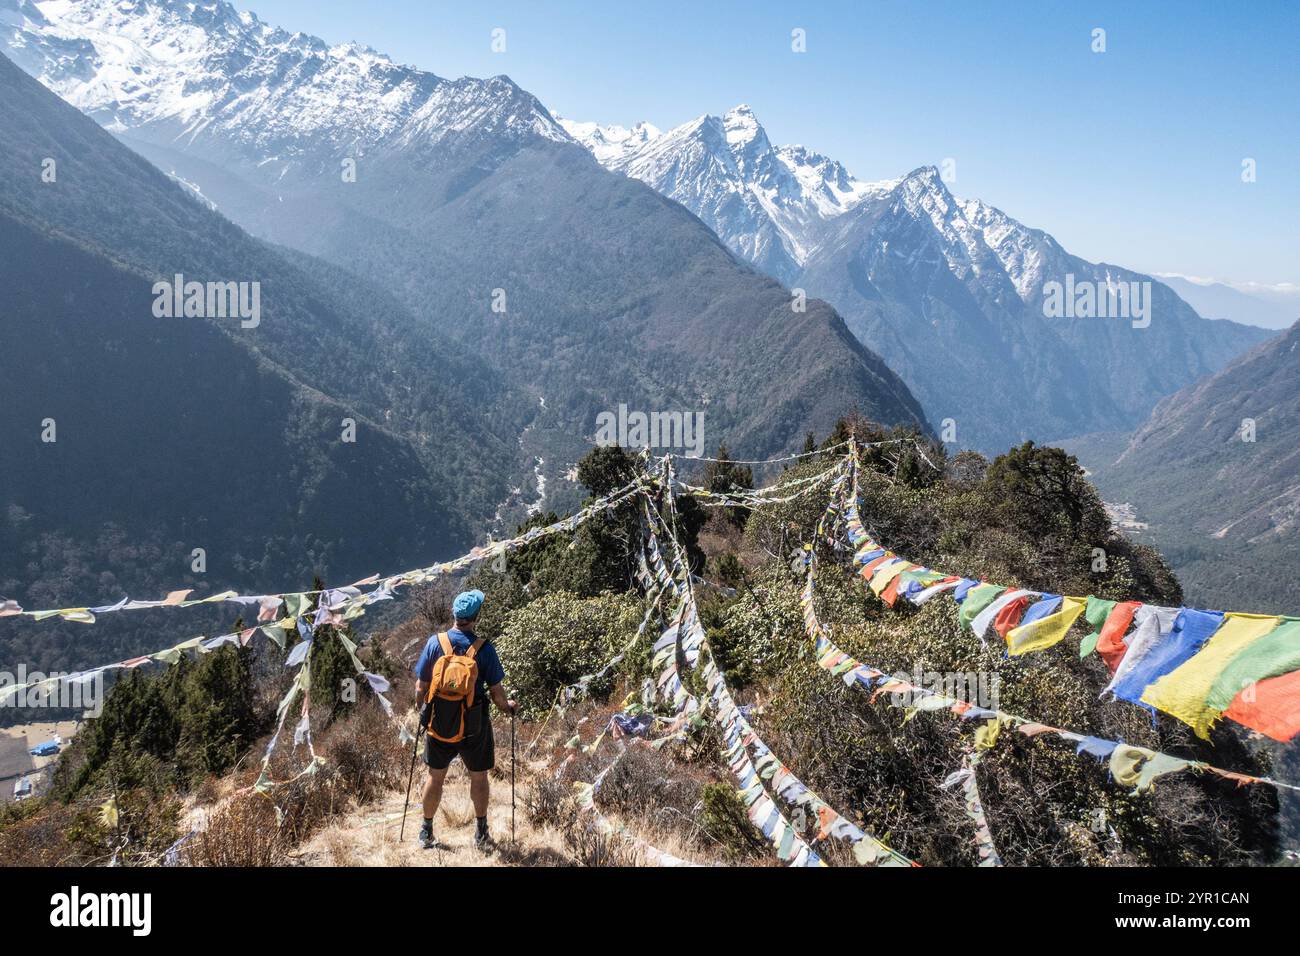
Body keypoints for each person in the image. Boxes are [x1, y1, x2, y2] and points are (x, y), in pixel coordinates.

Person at [412, 589, 516, 852]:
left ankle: (426, 831)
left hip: (439, 723)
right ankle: (481, 833)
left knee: (435, 777)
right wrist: (508, 707)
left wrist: (421, 710)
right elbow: (497, 694)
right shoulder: (484, 649)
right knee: (479, 777)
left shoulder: (435, 643)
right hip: (474, 724)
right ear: (475, 617)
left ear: (454, 614)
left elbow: (420, 686)